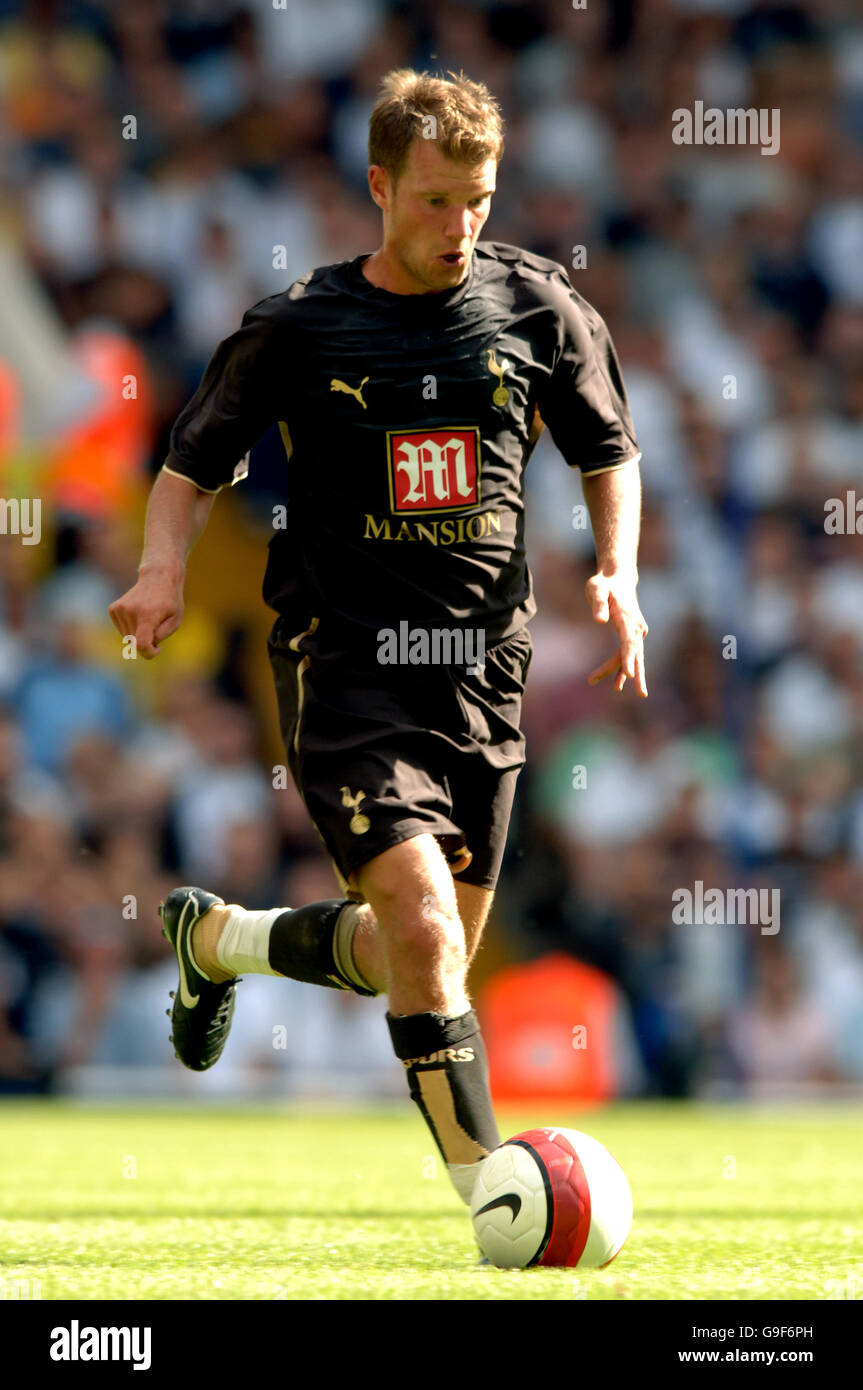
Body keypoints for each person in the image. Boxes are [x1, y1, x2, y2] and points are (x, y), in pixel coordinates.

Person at [109, 68, 648, 1223]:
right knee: (418, 923)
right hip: (344, 663)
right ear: (379, 187)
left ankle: (222, 940)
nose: (459, 227)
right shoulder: (300, 326)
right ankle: (492, 1193)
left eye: (479, 201)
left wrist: (617, 568)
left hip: (485, 672)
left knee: (425, 951)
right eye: (435, 201)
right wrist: (160, 571)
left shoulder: (539, 308)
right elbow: (188, 468)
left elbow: (609, 451)